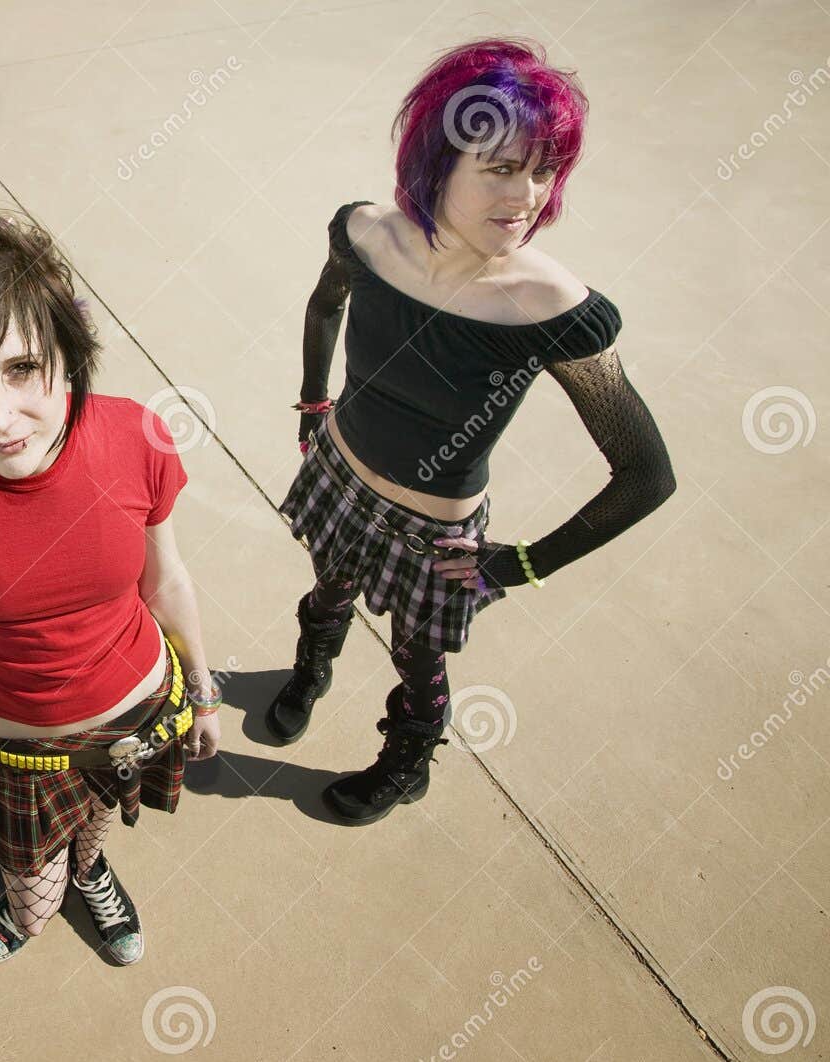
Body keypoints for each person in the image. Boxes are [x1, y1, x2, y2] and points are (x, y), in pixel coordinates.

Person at [268, 38, 677, 824]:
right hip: (341, 473)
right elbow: (325, 307)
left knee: (418, 661)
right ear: (436, 160)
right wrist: (316, 402)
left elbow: (645, 474)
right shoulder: (363, 234)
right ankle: (310, 668)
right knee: (325, 593)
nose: (527, 195)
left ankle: (407, 759)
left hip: (438, 533)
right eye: (500, 167)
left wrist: (519, 564)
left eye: (544, 169)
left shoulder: (552, 306)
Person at [0, 198, 221, 965]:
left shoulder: (137, 436)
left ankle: (90, 872)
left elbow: (168, 582)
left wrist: (203, 690)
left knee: (92, 832)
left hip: (141, 710)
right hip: (21, 750)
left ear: (68, 344)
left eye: (22, 368)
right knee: (31, 870)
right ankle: (32, 904)